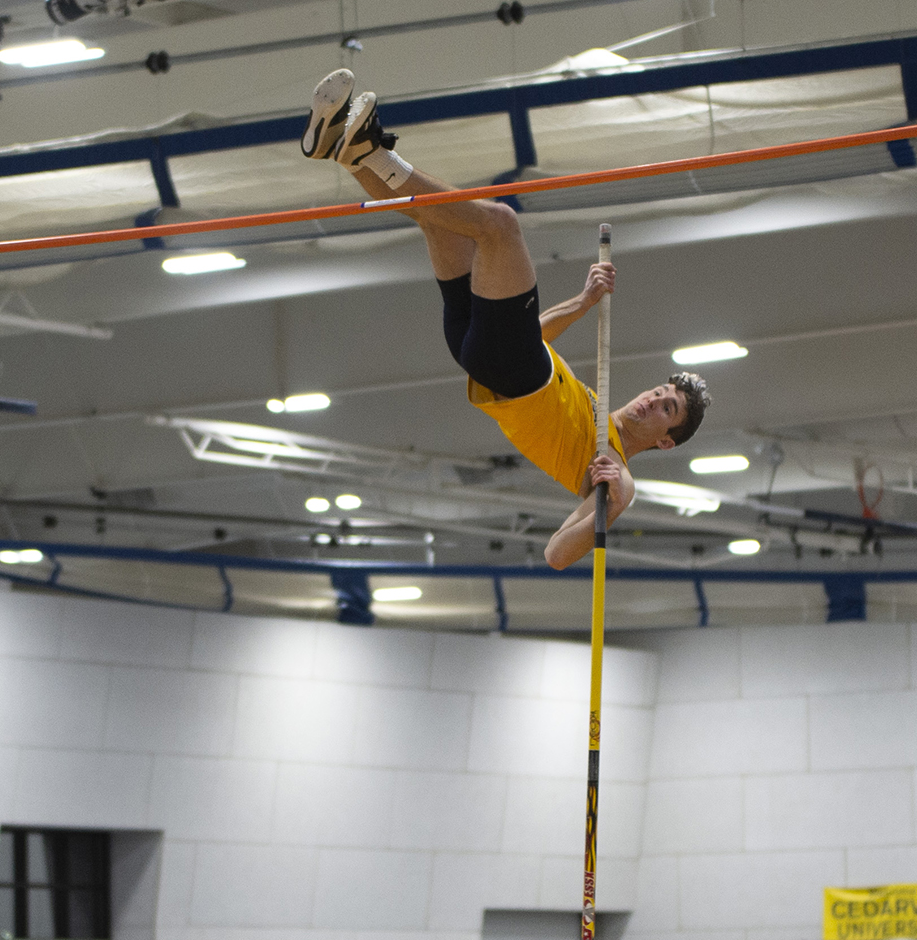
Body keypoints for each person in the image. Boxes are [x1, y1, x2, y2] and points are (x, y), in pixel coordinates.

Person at [301, 69, 711, 569]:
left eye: (667, 409)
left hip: (509, 374)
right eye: (660, 393)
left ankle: (368, 152)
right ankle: (348, 153)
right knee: (439, 220)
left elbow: (557, 555)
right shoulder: (587, 403)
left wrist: (616, 501)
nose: (653, 400)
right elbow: (528, 337)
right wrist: (580, 304)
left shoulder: (617, 472)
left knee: (499, 224)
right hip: (485, 356)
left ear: (665, 441)